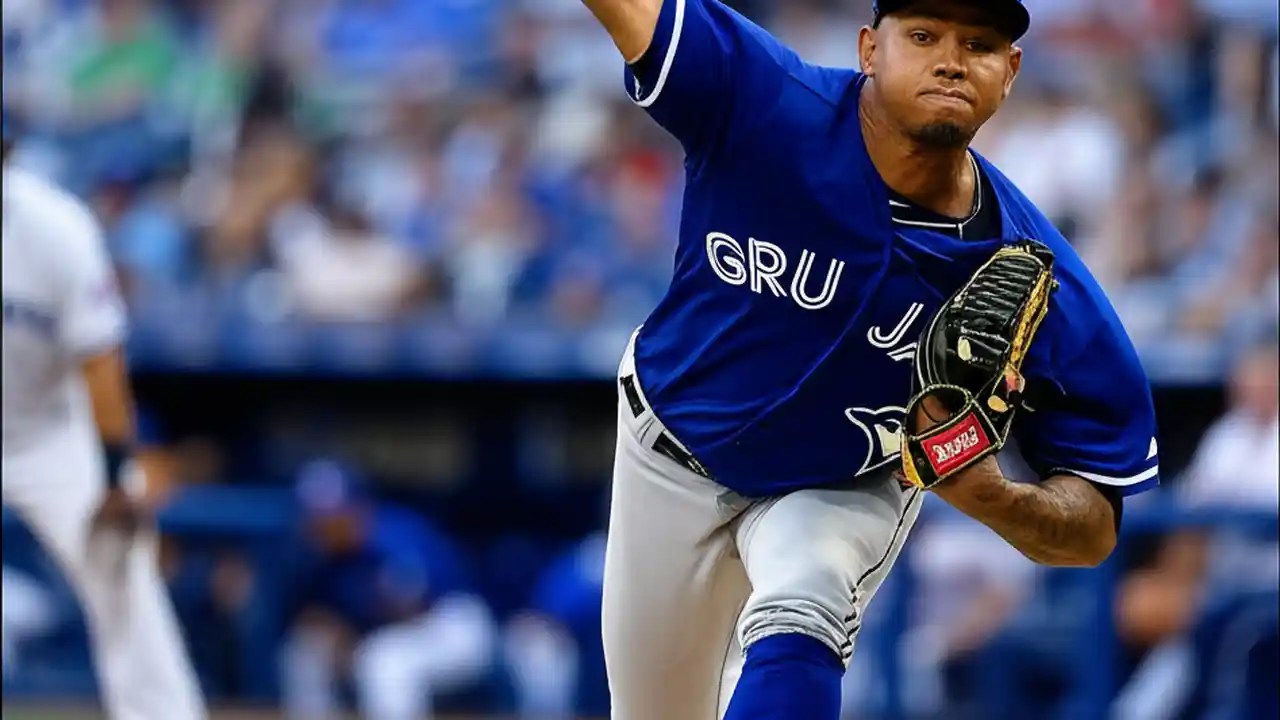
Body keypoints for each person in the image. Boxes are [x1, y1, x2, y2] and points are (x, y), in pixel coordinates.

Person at [576, 1, 1161, 717]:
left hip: (842, 480)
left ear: (1010, 72)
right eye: (923, 35)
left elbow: (1096, 523)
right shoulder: (767, 100)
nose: (951, 61)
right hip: (669, 451)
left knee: (807, 601)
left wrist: (997, 499)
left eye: (979, 45)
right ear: (869, 50)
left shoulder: (1027, 270)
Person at [1, 128, 207, 717]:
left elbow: (102, 360)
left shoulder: (56, 230)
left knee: (122, 566)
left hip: (47, 433)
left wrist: (116, 473)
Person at [278, 458, 495, 720]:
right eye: (316, 516)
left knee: (385, 661)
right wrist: (334, 632)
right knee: (305, 652)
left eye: (333, 516)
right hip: (383, 633)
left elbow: (413, 610)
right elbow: (315, 616)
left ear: (358, 507)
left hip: (453, 625)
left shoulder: (391, 536)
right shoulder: (324, 556)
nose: (322, 524)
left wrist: (352, 642)